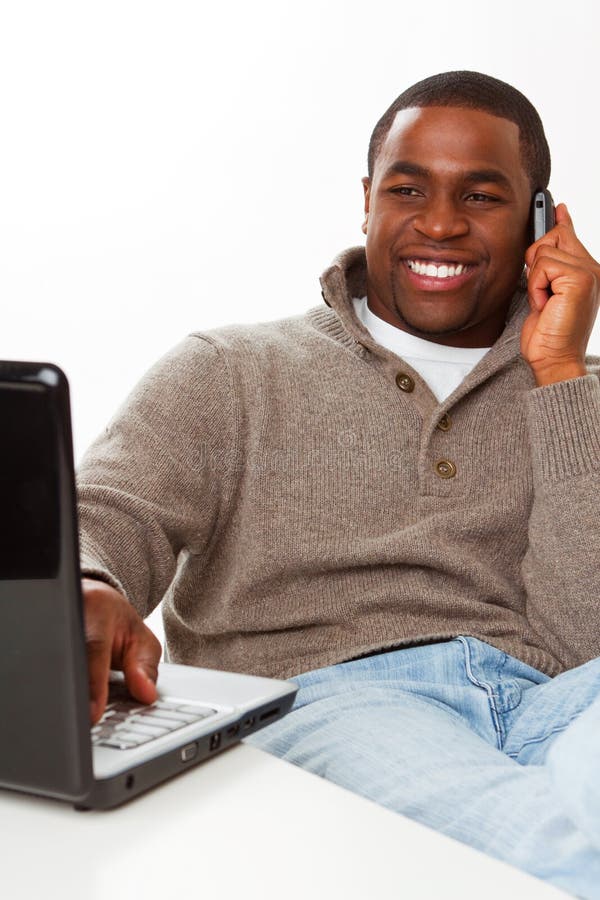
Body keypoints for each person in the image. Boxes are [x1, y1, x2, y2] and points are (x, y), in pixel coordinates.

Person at [77, 71, 600, 896]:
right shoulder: (232, 371)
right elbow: (100, 520)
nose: (438, 222)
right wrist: (85, 583)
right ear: (367, 200)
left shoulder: (576, 397)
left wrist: (563, 374)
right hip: (339, 699)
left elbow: (585, 644)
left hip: (560, 699)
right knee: (561, 860)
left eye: (483, 196)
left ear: (543, 220)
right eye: (408, 188)